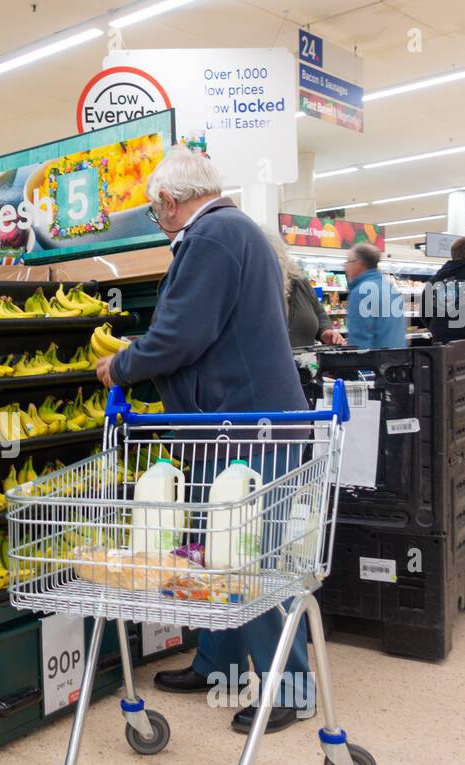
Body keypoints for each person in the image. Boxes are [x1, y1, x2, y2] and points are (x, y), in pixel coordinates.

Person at [94, 148, 316, 735]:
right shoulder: (232, 233)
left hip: (249, 429)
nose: (157, 218)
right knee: (215, 555)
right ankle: (218, 662)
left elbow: (183, 334)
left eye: (154, 210)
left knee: (249, 560)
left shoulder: (214, 237)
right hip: (228, 427)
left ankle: (289, 687)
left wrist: (124, 365)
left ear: (169, 201)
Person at [265, 231, 347, 348]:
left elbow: (319, 313)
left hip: (307, 363)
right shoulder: (252, 290)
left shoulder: (299, 281)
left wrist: (325, 331)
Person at [343, 242, 406, 349]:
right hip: (397, 358)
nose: (346, 267)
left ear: (359, 263)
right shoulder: (390, 288)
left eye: (348, 262)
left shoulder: (361, 292)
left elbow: (359, 339)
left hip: (373, 362)